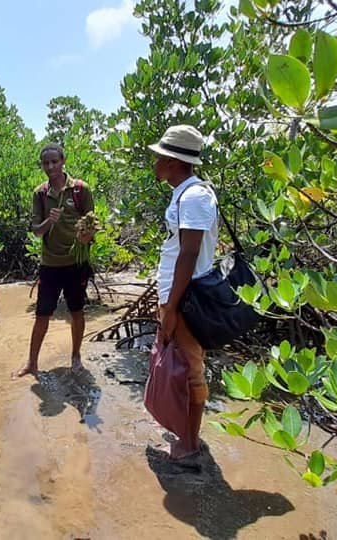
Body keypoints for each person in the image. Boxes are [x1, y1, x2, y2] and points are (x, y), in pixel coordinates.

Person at [148, 124, 218, 459]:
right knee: (181, 365)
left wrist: (172, 309)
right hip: (177, 297)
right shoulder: (185, 194)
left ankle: (189, 445)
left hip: (188, 300)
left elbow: (190, 253)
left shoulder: (194, 196)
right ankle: (186, 434)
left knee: (190, 369)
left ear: (174, 160)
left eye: (160, 155)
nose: (155, 161)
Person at [16, 143, 95, 378]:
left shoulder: (81, 189)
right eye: (45, 163)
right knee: (42, 315)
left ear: (63, 161)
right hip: (50, 265)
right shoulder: (40, 193)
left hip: (76, 264)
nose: (50, 166)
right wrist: (50, 221)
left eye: (54, 161)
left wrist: (86, 237)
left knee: (77, 311)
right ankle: (32, 363)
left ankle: (76, 357)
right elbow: (37, 232)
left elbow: (92, 223)